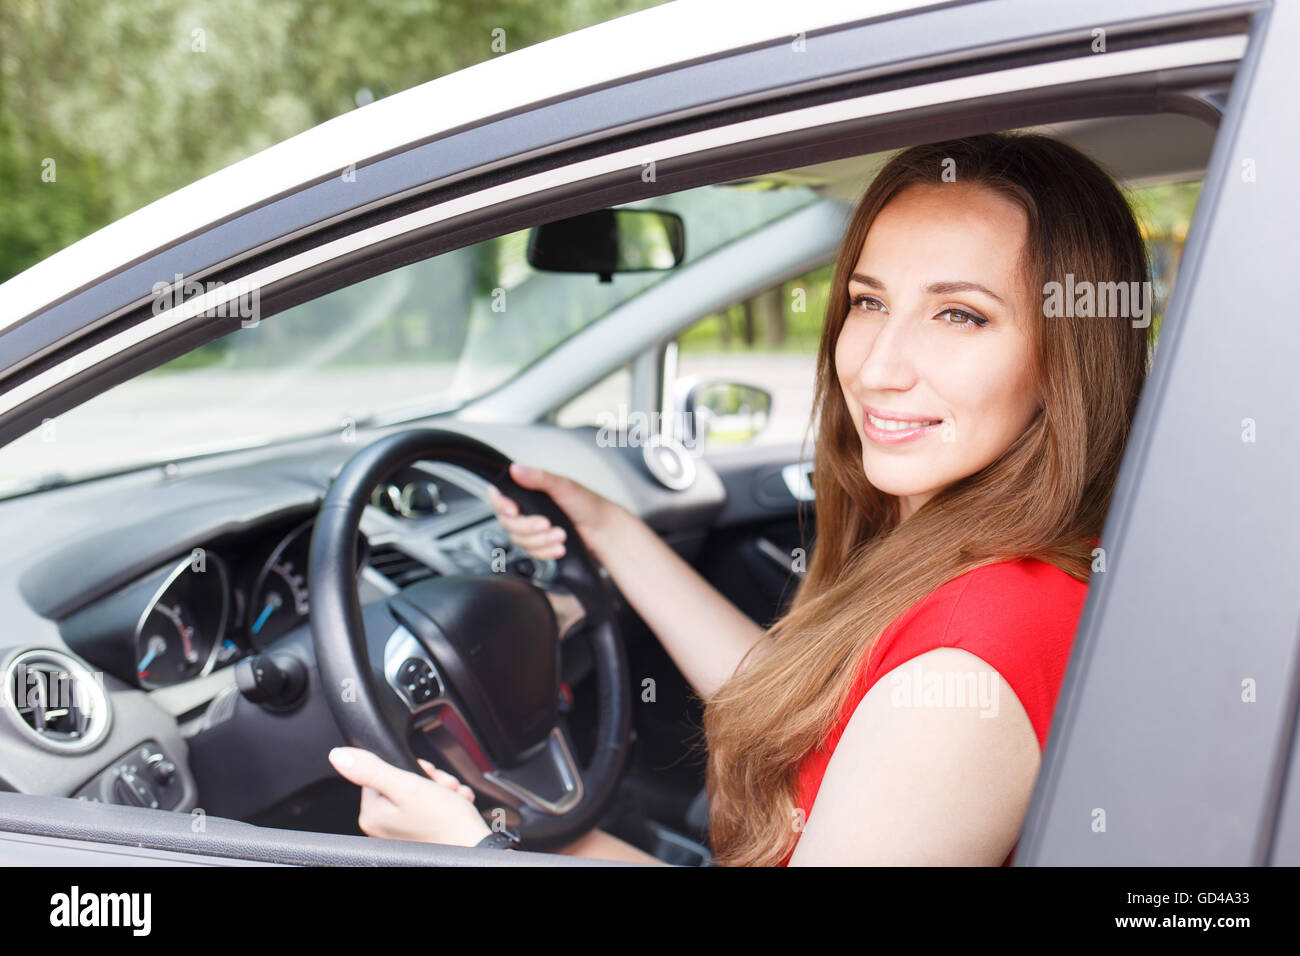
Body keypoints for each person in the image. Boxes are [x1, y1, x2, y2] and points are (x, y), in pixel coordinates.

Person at [327, 131, 1151, 865]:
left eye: (960, 316)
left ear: (1065, 361)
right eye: (869, 302)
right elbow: (799, 698)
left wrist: (477, 851)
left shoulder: (967, 667)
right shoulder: (977, 571)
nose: (876, 366)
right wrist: (607, 525)